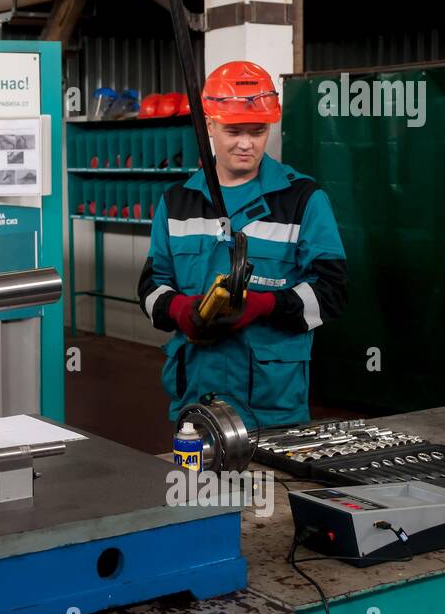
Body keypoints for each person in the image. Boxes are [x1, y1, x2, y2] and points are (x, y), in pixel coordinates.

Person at [137, 60, 347, 429]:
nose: (247, 144)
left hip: (272, 405)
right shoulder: (177, 202)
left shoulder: (302, 200)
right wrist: (181, 309)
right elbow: (151, 287)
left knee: (273, 488)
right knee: (195, 487)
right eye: (234, 131)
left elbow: (331, 292)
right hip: (196, 399)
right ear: (209, 125)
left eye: (258, 131)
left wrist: (266, 305)